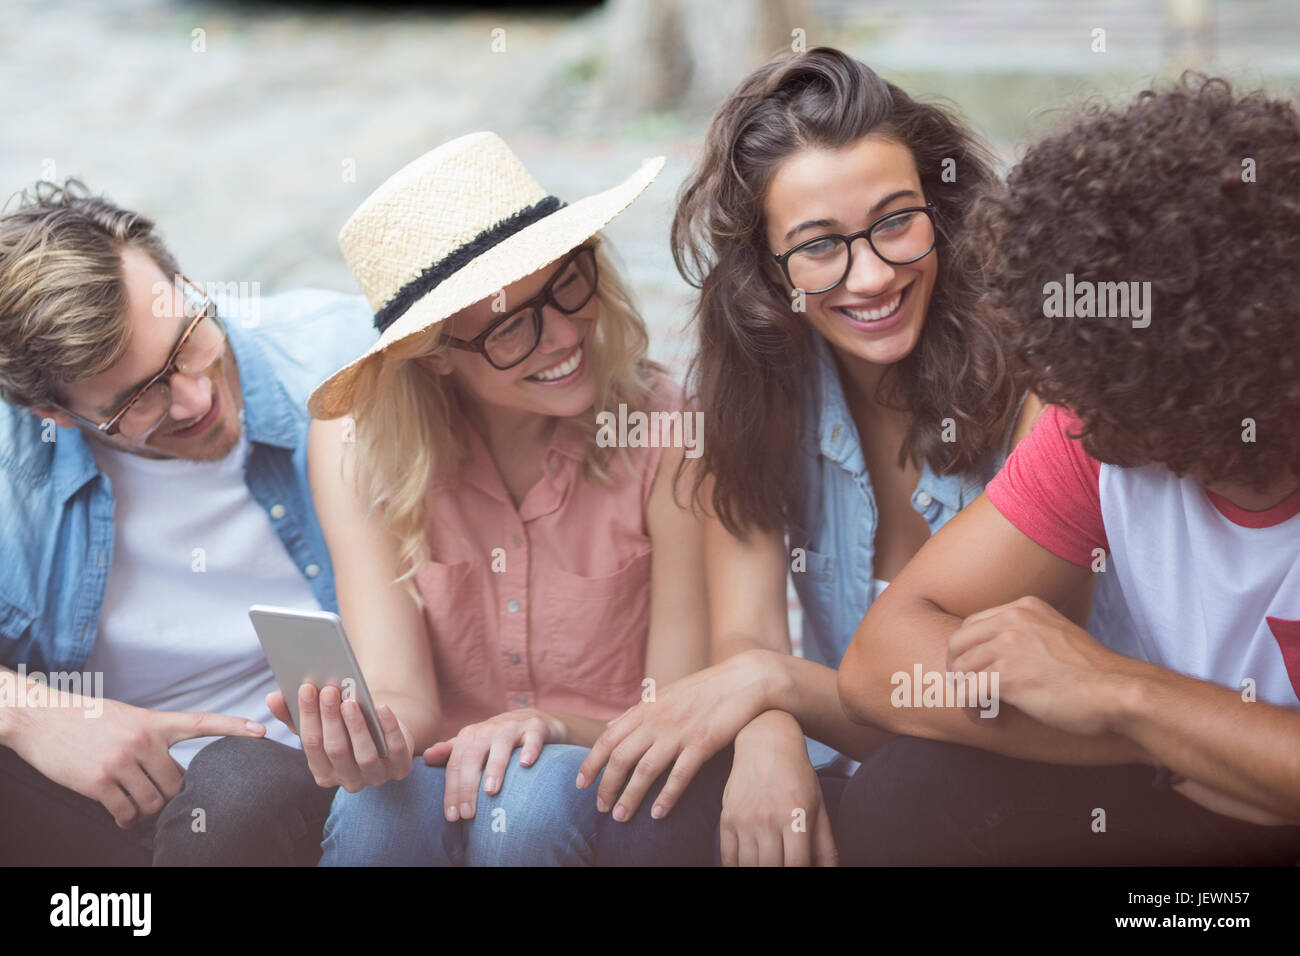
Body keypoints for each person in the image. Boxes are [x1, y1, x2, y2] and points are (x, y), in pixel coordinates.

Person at [571, 47, 1123, 866]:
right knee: (668, 813)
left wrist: (777, 686)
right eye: (819, 246)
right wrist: (767, 734)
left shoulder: (1037, 380)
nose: (871, 276)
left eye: (897, 221)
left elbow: (988, 705)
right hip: (872, 771)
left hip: (1049, 780)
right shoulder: (755, 392)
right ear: (765, 270)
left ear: (942, 210)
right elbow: (747, 634)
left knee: (909, 787)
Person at [835, 74, 1300, 865]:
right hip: (1203, 800)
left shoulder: (1128, 410)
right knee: (914, 792)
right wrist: (1175, 741)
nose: (1060, 399)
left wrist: (1125, 693)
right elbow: (882, 663)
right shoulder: (1099, 423)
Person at [277, 132, 710, 865]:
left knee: (528, 797)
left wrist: (549, 725)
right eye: (513, 327)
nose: (565, 334)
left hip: (629, 780)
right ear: (435, 357)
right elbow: (402, 694)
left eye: (569, 284)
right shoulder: (357, 446)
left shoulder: (668, 428)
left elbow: (674, 707)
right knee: (374, 810)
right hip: (444, 782)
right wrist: (368, 735)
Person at [0, 179, 377, 865]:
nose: (196, 398)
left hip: (291, 794)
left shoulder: (340, 356)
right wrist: (28, 713)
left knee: (242, 785)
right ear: (54, 414)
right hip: (112, 806)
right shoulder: (14, 463)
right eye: (139, 398)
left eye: (188, 341)